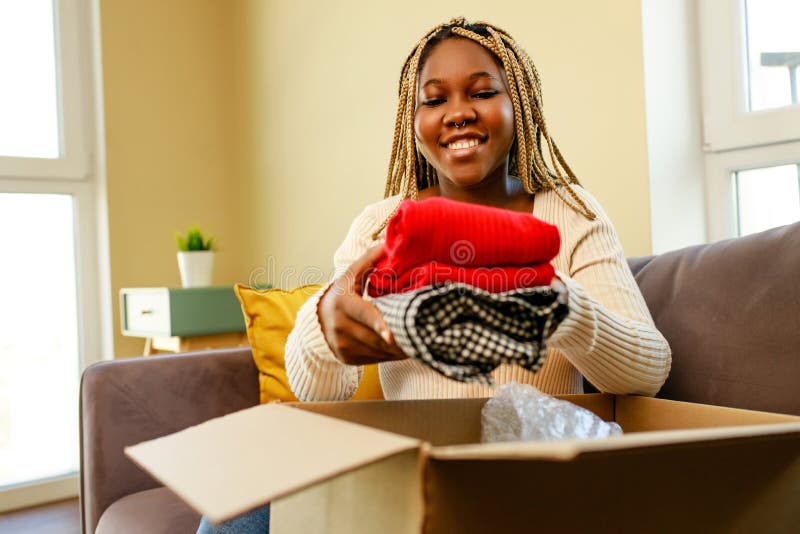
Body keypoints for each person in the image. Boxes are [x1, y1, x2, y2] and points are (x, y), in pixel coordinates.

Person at [198, 17, 670, 534]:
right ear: (412, 118)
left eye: (483, 92)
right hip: (411, 481)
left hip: (527, 480)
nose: (459, 113)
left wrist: (562, 307)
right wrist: (327, 328)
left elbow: (647, 371)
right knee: (238, 502)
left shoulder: (572, 215)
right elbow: (318, 392)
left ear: (521, 103)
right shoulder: (383, 225)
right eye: (435, 99)